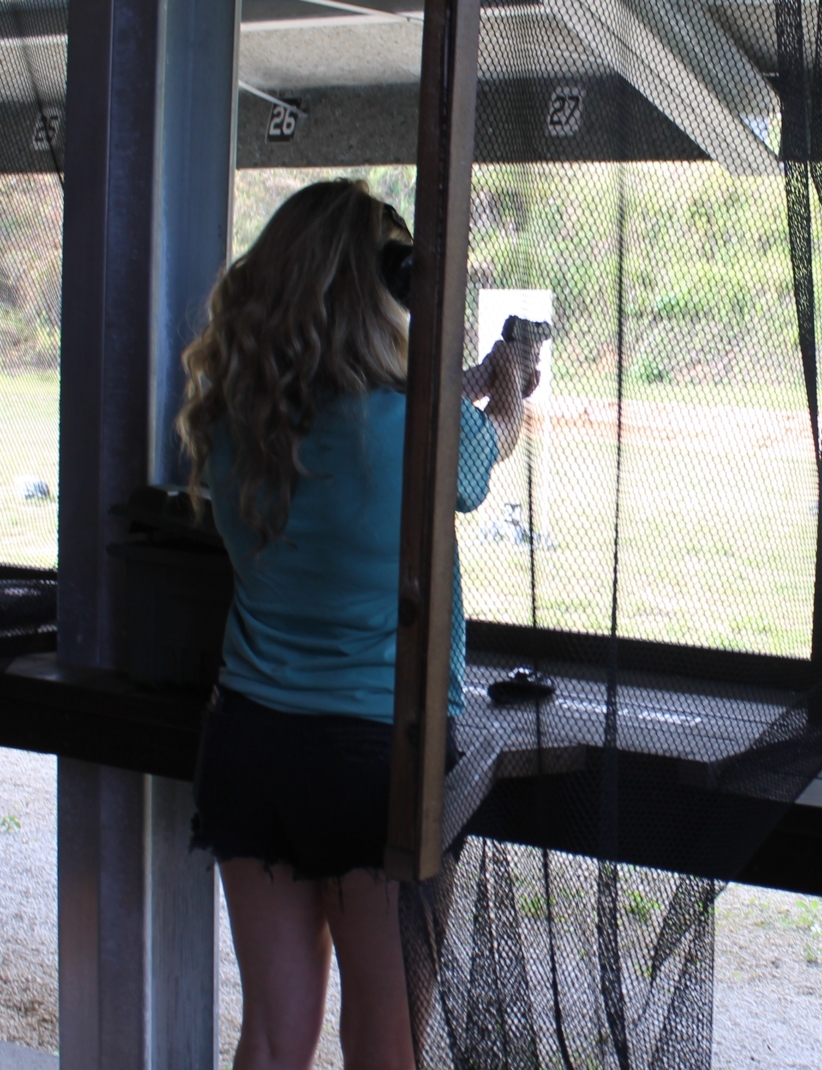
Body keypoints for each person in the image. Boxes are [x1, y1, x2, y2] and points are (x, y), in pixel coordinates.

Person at [176, 179, 537, 1070]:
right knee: (385, 1038)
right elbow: (484, 448)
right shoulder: (421, 427)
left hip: (252, 746)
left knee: (271, 1032)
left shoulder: (236, 419)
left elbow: (357, 406)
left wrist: (461, 383)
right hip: (384, 761)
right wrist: (512, 387)